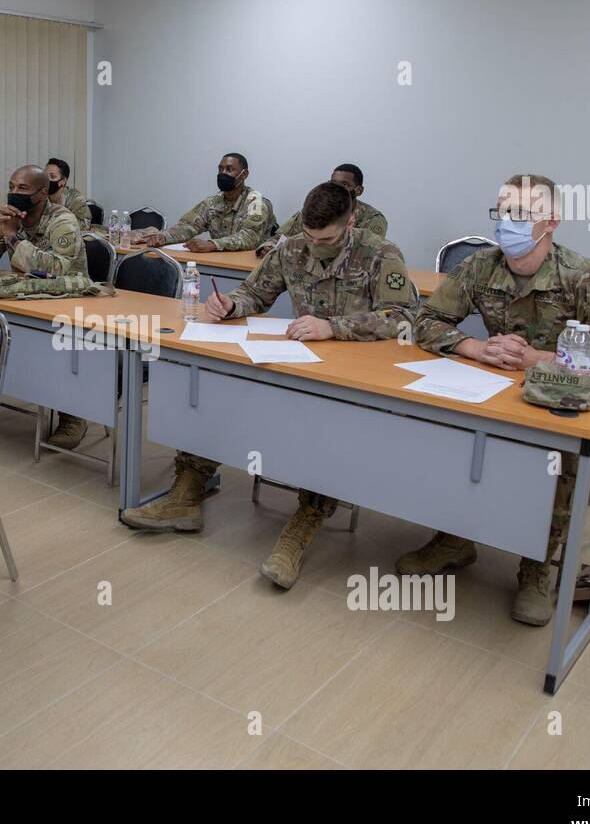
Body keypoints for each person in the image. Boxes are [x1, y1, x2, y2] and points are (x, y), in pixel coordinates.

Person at [121, 182, 419, 589]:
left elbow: (402, 317)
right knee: (218, 386)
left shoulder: (381, 253)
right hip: (298, 358)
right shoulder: (292, 246)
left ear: (350, 222)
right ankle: (188, 491)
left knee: (323, 424)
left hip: (353, 373)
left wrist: (335, 326)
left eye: (327, 239)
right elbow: (255, 292)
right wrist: (230, 305)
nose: (316, 247)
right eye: (311, 238)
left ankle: (305, 521)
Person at [397, 173, 590, 625]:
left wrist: (539, 358)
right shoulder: (480, 267)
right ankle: (454, 537)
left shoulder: (585, 278)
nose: (507, 222)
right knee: (448, 433)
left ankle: (538, 566)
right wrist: (476, 348)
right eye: (502, 212)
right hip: (494, 392)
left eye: (521, 214)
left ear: (551, 222)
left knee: (560, 461)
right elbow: (426, 320)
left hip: (558, 400)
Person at [0, 164, 88, 449]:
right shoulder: (9, 216)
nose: (13, 193)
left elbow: (58, 270)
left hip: (69, 300)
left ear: (43, 193)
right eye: (11, 186)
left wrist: (13, 237)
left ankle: (74, 414)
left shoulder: (62, 220)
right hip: (30, 296)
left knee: (54, 346)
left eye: (22, 189)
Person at [139, 153, 274, 253]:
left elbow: (249, 238)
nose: (223, 173)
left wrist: (211, 244)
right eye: (220, 169)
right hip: (220, 261)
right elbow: (188, 226)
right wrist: (163, 236)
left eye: (229, 169)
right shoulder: (212, 202)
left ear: (244, 174)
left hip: (251, 269)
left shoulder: (257, 203)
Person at [266, 163, 388, 253]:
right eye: (333, 183)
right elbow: (282, 236)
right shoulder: (315, 209)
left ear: (359, 190)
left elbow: (364, 253)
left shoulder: (373, 218)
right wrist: (269, 247)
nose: (337, 188)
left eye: (345, 184)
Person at [45, 157, 91, 230]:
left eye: (52, 176)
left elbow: (85, 226)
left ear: (63, 181)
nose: (46, 180)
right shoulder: (40, 195)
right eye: (44, 175)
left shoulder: (75, 199)